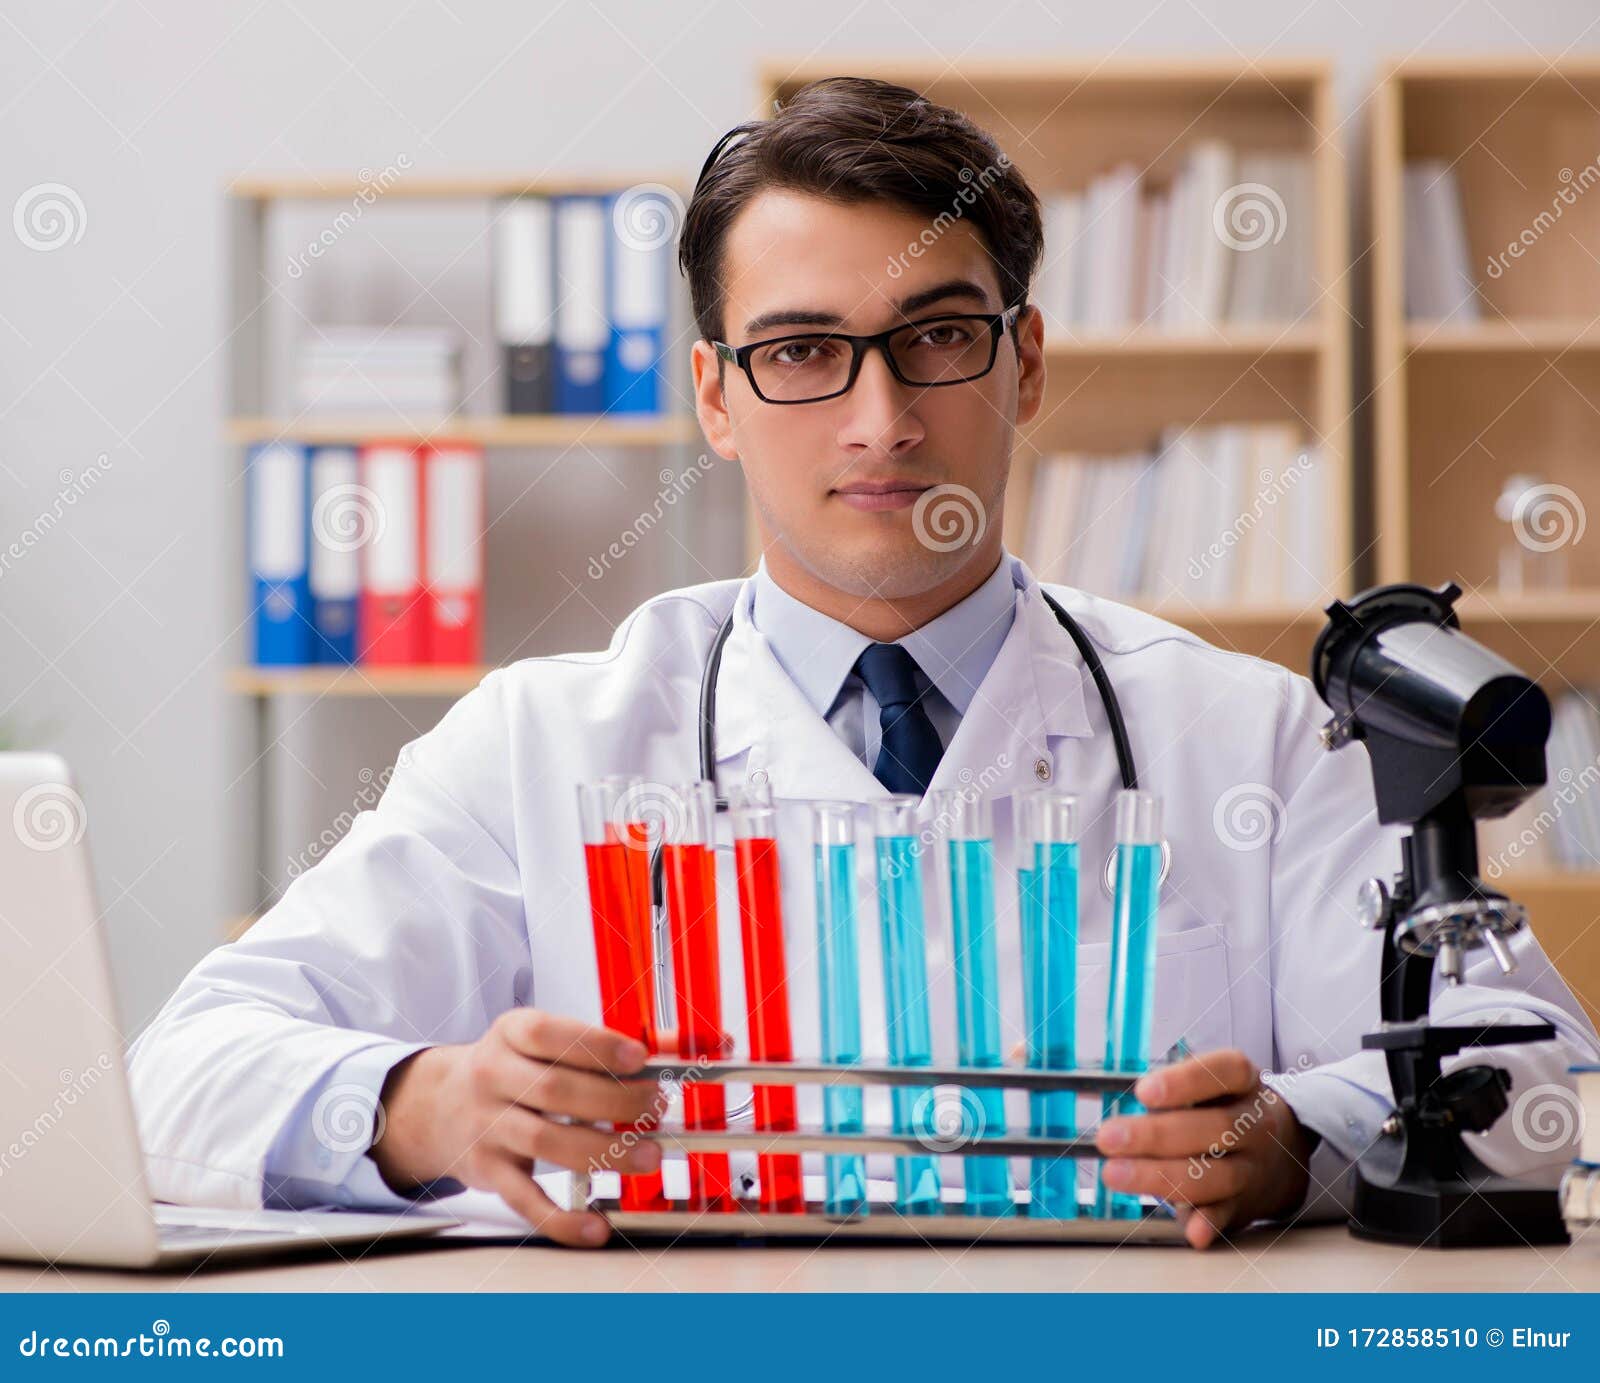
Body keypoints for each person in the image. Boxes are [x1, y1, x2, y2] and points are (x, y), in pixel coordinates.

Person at [129, 77, 1598, 1251]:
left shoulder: (1250, 731)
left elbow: (1553, 1082)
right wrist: (424, 1103)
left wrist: (1299, 1139)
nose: (880, 420)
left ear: (1024, 364)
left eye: (936, 338)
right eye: (802, 351)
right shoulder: (538, 745)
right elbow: (172, 1076)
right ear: (716, 394)